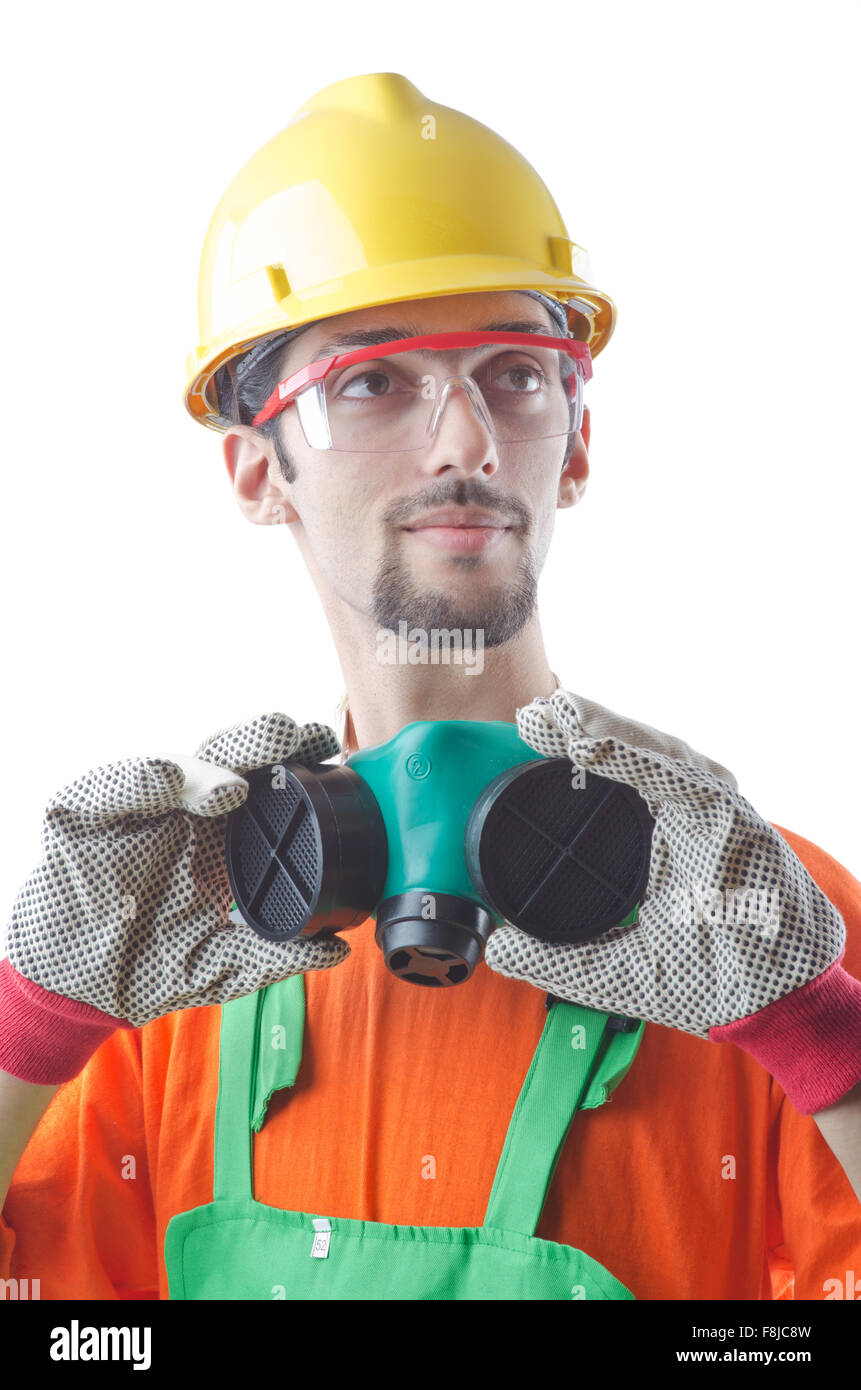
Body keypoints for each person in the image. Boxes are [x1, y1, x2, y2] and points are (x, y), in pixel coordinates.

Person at [1, 72, 860, 1302]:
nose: (465, 443)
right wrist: (31, 1021)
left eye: (517, 372)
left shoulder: (769, 926)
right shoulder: (160, 955)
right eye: (375, 382)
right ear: (255, 471)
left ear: (578, 441)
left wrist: (815, 1034)